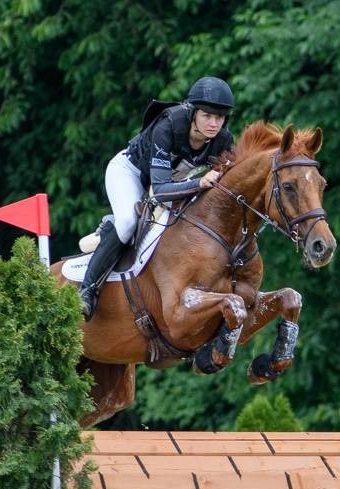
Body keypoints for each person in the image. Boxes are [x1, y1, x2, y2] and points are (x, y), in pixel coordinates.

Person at [79, 76, 236, 320]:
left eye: (220, 117)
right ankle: (87, 290)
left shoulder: (223, 140)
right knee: (128, 223)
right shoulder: (169, 125)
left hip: (172, 182)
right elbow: (161, 191)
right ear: (193, 112)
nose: (214, 123)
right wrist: (199, 183)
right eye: (207, 115)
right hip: (130, 173)